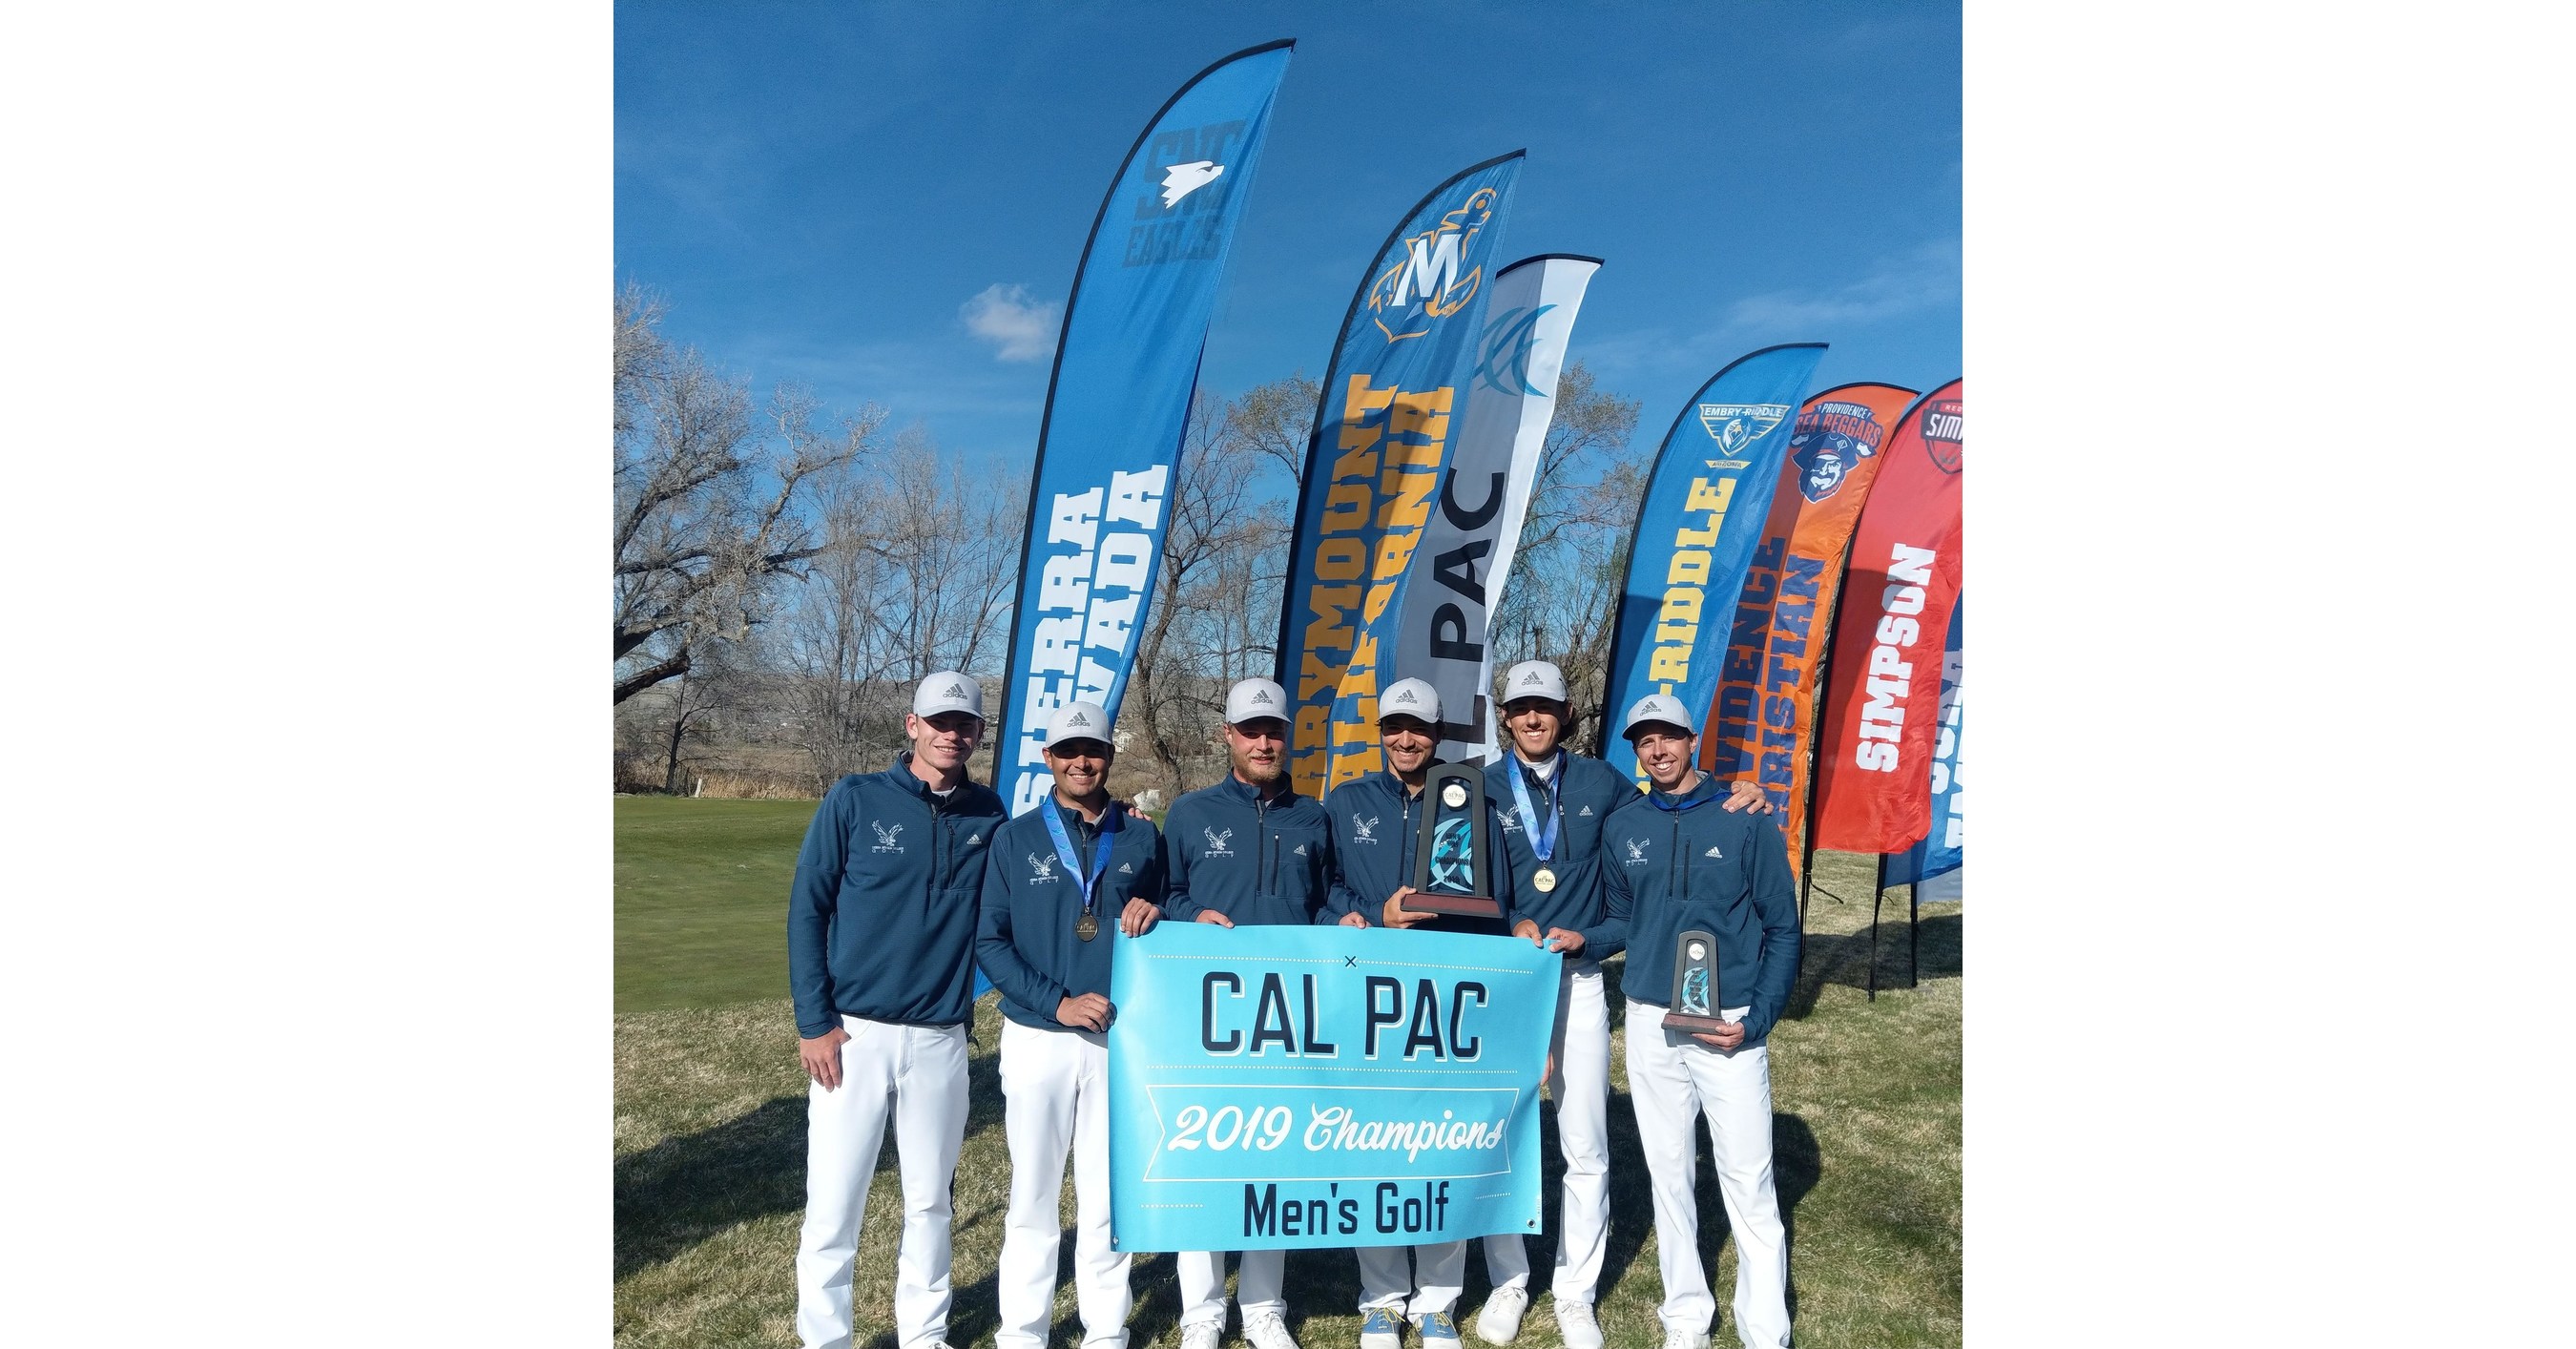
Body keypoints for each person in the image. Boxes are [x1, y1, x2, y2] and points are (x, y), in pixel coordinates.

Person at [1470, 662, 1767, 1348]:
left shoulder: (1603, 783)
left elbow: (1675, 805)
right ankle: (1510, 1281)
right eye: (1521, 708)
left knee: (1586, 1143)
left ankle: (1575, 1291)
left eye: (1546, 706)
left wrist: (1739, 791)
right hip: (1503, 982)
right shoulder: (1478, 788)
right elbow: (1455, 880)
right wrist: (1504, 922)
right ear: (1505, 718)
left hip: (1578, 979)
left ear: (1565, 714)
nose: (1534, 718)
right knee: (1497, 1137)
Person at [788, 672, 1008, 1349]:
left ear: (977, 733)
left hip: (941, 1037)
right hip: (854, 1035)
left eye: (965, 724)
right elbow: (807, 909)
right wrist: (814, 1023)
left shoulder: (989, 814)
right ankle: (826, 1339)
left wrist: (1127, 823)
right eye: (939, 721)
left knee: (931, 1203)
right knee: (834, 1208)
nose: (952, 733)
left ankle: (925, 1335)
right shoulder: (855, 799)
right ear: (911, 725)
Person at [1592, 695, 1800, 1349]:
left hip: (1727, 1023)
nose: (1658, 751)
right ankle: (1686, 1317)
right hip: (1653, 1020)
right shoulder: (1624, 824)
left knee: (1748, 1178)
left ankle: (1765, 1329)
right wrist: (1574, 939)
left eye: (1670, 738)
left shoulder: (1745, 819)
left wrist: (1758, 1018)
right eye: (1645, 741)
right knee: (1670, 1174)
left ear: (1693, 740)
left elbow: (1785, 930)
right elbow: (1625, 919)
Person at [1158, 678, 1361, 1349]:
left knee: (1274, 1157)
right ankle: (1203, 1312)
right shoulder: (1189, 813)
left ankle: (1264, 1306)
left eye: (1273, 730)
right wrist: (1193, 916)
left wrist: (1345, 918)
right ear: (1229, 737)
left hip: (1288, 1013)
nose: (1264, 741)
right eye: (1251, 730)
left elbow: (1324, 896)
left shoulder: (1314, 815)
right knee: (1206, 1158)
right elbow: (1169, 897)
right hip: (1210, 1016)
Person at [1321, 678, 1520, 1349]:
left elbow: (1499, 901)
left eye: (1420, 729)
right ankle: (1380, 1297)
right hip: (1368, 998)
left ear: (1441, 735)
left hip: (1445, 999)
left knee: (1444, 1145)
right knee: (1370, 1144)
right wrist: (1373, 914)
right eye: (1395, 727)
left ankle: (1437, 1301)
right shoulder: (1346, 802)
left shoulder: (1471, 800)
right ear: (1381, 732)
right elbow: (1321, 891)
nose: (1406, 739)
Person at [977, 701, 1169, 1349]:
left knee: (1107, 1197)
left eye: (1093, 749)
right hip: (1038, 1037)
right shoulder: (1016, 837)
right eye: (1068, 751)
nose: (1082, 761)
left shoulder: (1143, 836)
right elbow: (991, 942)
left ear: (1109, 756)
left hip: (1119, 1042)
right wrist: (1055, 1002)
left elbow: (1164, 916)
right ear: (1048, 758)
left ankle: (1106, 1331)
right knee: (1033, 1196)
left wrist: (1157, 908)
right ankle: (1024, 1332)